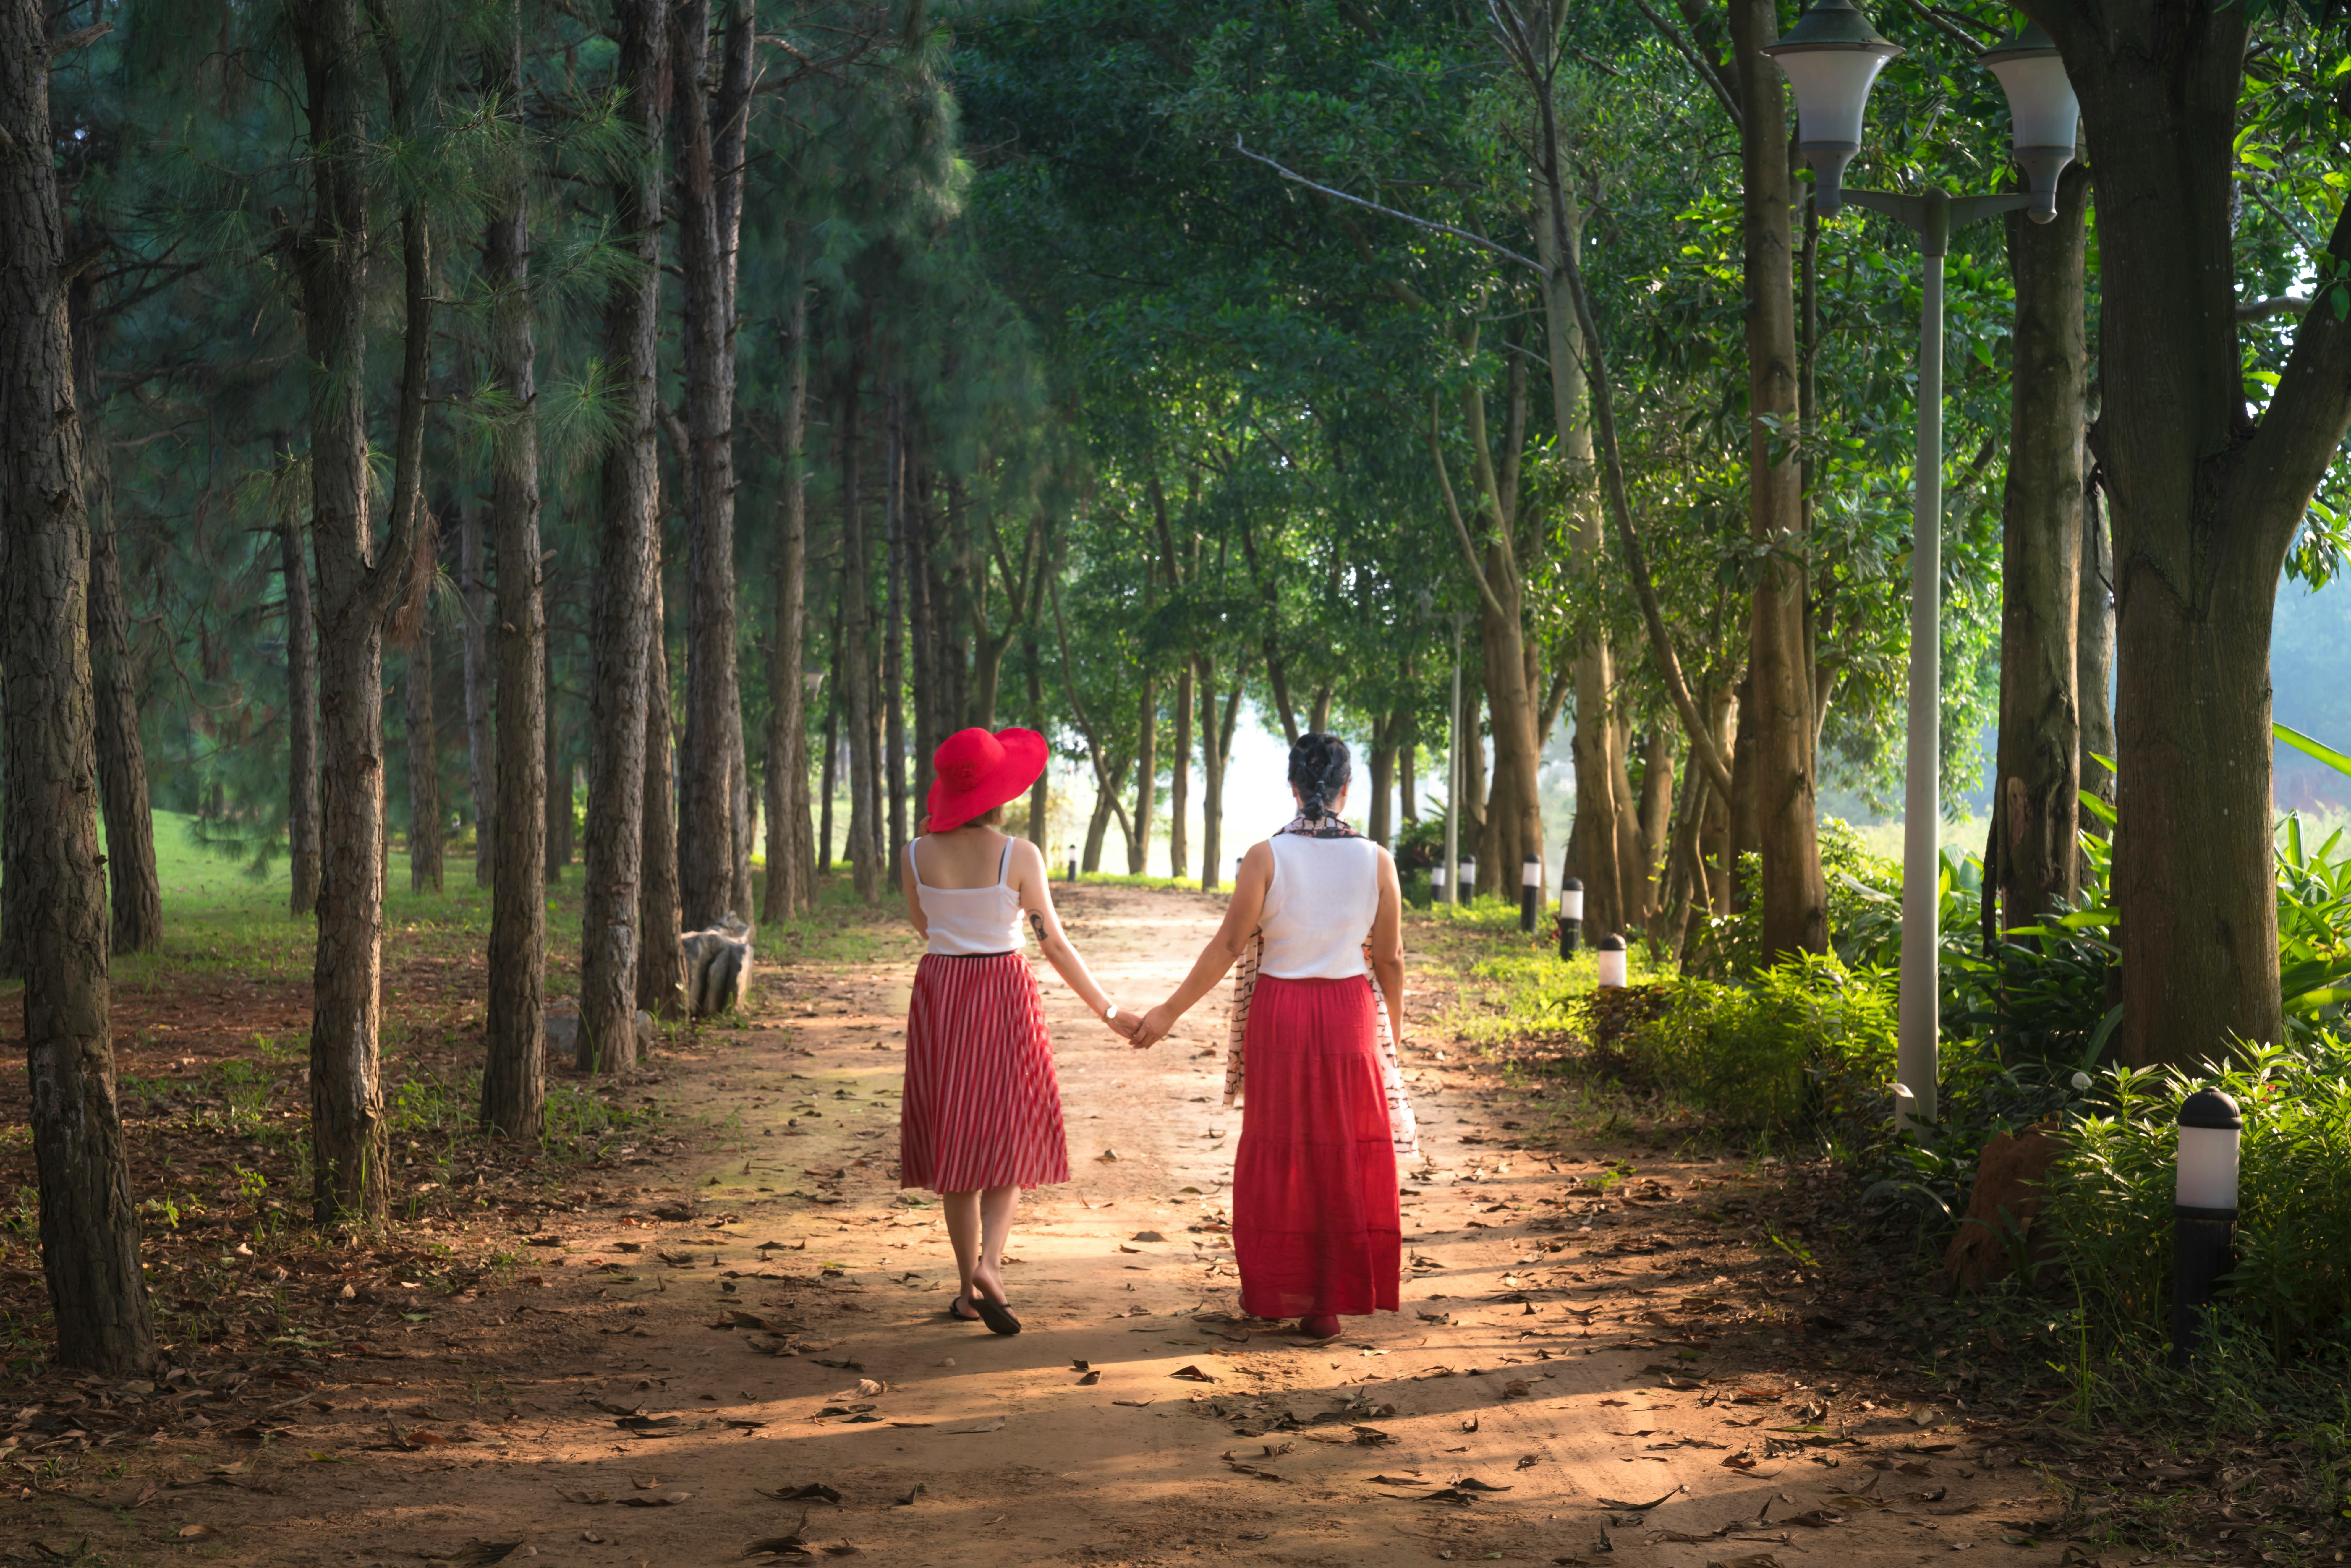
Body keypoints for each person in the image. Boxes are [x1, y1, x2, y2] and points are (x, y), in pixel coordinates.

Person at [1128, 734, 1415, 1339]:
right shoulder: (1377, 861)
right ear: (1346, 789)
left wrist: (1168, 1012)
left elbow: (1229, 946)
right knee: (1342, 1152)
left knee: (1279, 1149)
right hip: (1349, 1017)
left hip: (1279, 1011)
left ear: (1292, 787)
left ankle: (1273, 1289)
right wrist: (1393, 1038)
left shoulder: (1265, 856)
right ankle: (1327, 1306)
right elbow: (1388, 959)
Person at [899, 725, 1131, 1337]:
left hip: (942, 992)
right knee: (1009, 1132)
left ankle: (963, 1290)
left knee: (956, 1147)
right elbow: (1052, 944)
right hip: (1004, 990)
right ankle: (992, 1266)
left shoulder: (915, 853)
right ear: (1001, 792)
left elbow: (923, 925)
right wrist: (1109, 1012)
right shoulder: (1019, 855)